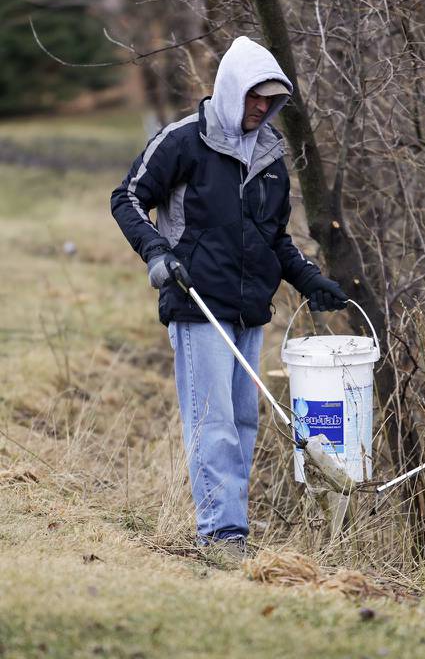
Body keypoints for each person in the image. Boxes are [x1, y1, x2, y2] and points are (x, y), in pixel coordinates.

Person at [111, 36, 348, 563]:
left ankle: (231, 530)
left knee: (242, 421)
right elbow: (126, 197)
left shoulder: (269, 155)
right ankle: (219, 534)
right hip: (196, 303)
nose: (262, 108)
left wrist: (309, 279)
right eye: (254, 97)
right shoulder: (183, 141)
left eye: (271, 100)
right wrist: (156, 251)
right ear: (231, 90)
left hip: (248, 310)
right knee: (212, 419)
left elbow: (275, 238)